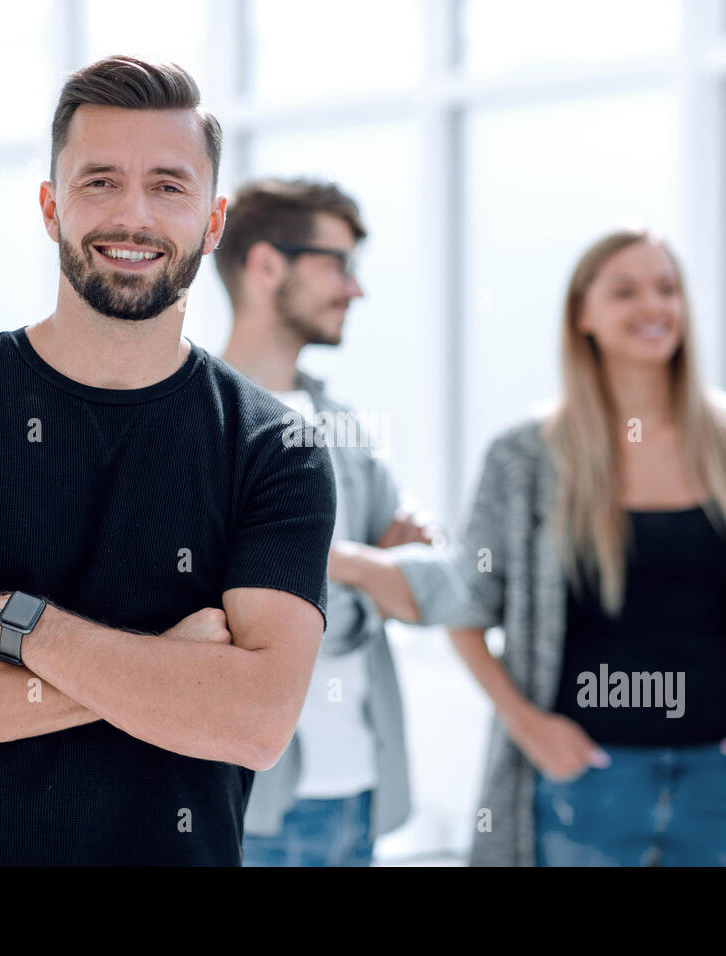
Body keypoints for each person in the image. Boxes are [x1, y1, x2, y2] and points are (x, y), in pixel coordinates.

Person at [0, 55, 337, 866]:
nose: (132, 215)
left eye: (169, 185)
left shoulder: (277, 451)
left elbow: (254, 724)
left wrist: (10, 624)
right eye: (99, 181)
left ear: (213, 221)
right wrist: (173, 674)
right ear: (49, 205)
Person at [340, 229, 726, 866]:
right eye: (626, 292)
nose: (654, 307)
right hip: (585, 781)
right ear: (582, 315)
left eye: (667, 289)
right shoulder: (527, 457)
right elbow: (466, 605)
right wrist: (530, 728)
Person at [216, 178, 447, 866]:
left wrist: (312, 566)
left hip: (362, 795)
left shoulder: (347, 428)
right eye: (337, 265)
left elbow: (437, 586)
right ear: (266, 267)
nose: (356, 289)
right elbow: (198, 612)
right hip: (248, 805)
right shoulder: (193, 425)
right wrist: (367, 567)